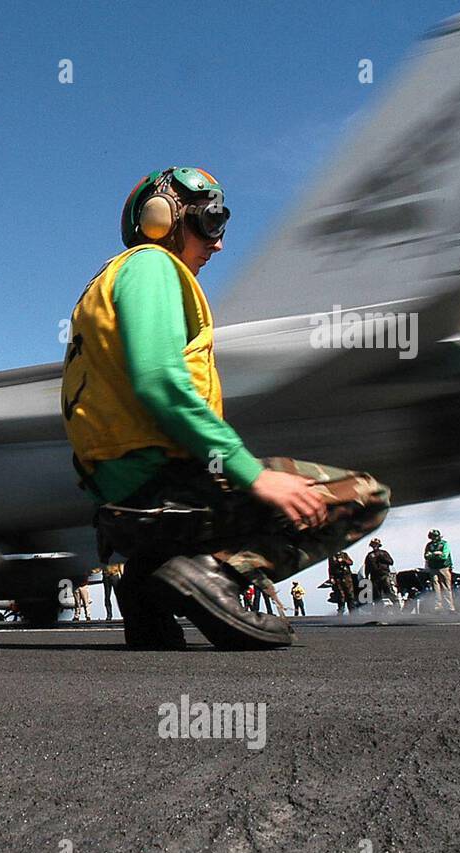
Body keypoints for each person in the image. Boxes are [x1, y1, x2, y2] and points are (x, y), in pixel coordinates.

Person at [61, 166, 389, 650]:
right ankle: (211, 572)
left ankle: (147, 588)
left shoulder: (106, 286)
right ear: (162, 217)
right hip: (167, 495)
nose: (217, 243)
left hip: (122, 513)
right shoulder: (151, 265)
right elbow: (160, 383)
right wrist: (253, 476)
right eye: (211, 222)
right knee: (365, 495)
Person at [424, 529, 455, 612]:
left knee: (446, 587)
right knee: (435, 587)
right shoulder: (429, 545)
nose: (433, 538)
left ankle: (449, 607)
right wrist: (436, 554)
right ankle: (438, 607)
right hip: (433, 568)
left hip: (443, 568)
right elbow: (426, 556)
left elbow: (444, 556)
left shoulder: (444, 544)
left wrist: (432, 555)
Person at [363, 537, 399, 609]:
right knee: (376, 595)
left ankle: (396, 606)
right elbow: (367, 566)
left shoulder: (384, 553)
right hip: (374, 577)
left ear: (378, 545)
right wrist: (366, 576)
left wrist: (382, 557)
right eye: (373, 545)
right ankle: (379, 610)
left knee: (388, 591)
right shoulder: (369, 555)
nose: (374, 546)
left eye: (376, 544)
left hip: (384, 575)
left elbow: (391, 562)